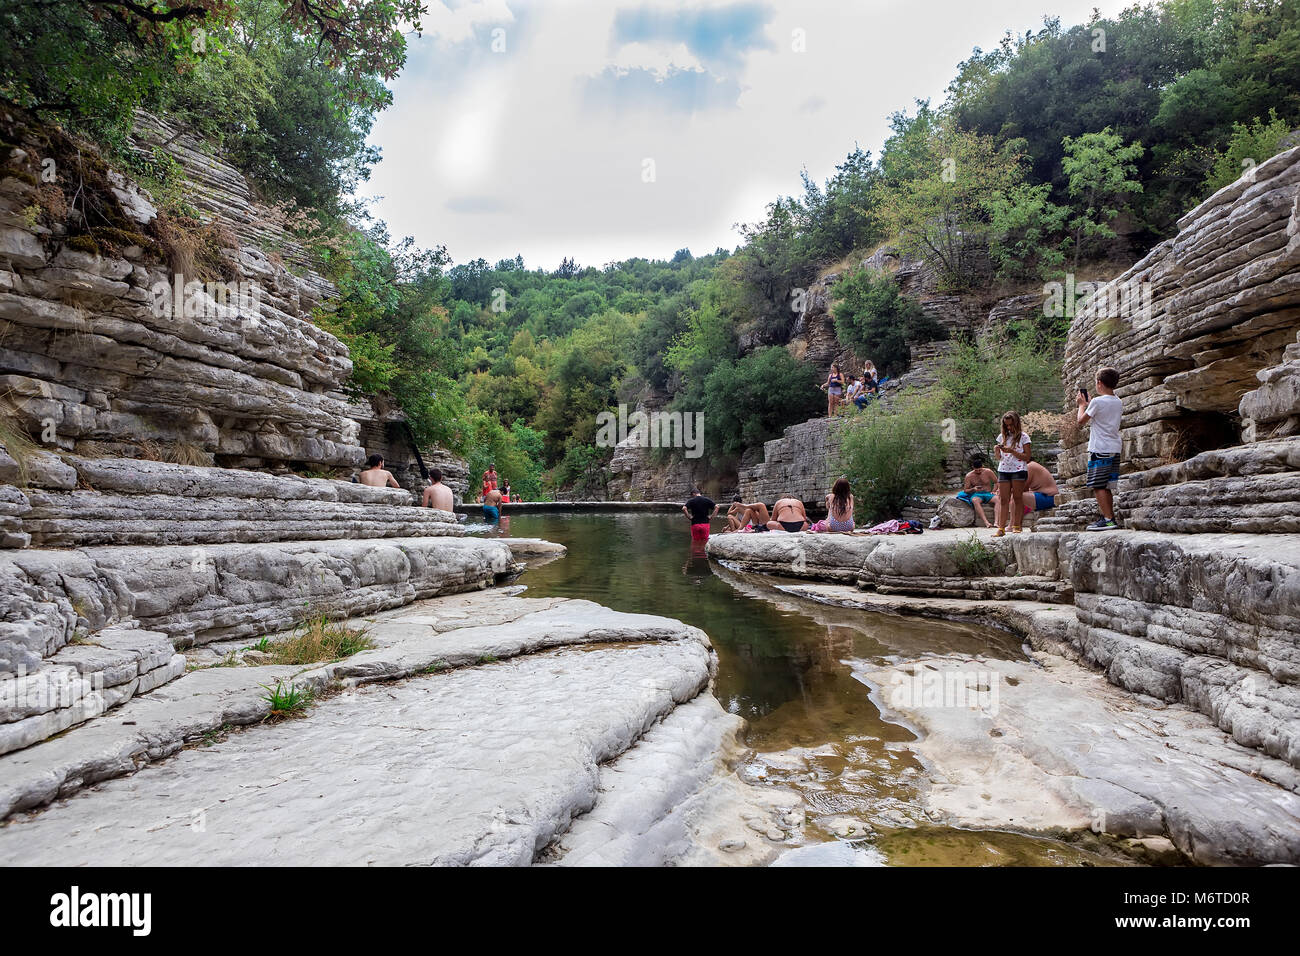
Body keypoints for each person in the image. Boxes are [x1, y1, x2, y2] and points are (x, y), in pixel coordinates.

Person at [1077, 366, 1123, 531]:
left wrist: (1082, 405)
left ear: (1099, 383)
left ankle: (1108, 520)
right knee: (1107, 485)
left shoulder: (1097, 402)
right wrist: (1089, 405)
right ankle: (1109, 518)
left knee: (1098, 485)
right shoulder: (1118, 401)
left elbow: (1081, 421)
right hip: (1114, 447)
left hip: (1100, 448)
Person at [992, 411, 1032, 537]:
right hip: (1004, 470)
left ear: (1016, 423)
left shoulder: (1024, 437)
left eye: (1011, 425)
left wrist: (1012, 451)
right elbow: (999, 458)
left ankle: (1017, 525)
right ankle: (1001, 527)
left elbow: (1027, 457)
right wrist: (997, 451)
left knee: (1017, 497)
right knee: (1003, 499)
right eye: (1006, 425)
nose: (1009, 428)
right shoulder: (1002, 437)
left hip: (1019, 469)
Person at [996, 460, 1058, 527]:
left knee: (1017, 496)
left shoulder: (1030, 467)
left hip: (1049, 498)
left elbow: (1020, 488)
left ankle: (1012, 525)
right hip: (1042, 496)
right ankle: (1016, 524)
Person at [956, 453, 998, 527]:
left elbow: (996, 482)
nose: (978, 471)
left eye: (980, 470)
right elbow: (965, 490)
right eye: (976, 470)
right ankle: (986, 522)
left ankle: (996, 522)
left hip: (988, 493)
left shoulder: (988, 471)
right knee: (975, 500)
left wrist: (994, 491)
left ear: (982, 466)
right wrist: (973, 489)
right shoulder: (969, 476)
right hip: (977, 494)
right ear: (973, 468)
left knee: (998, 499)